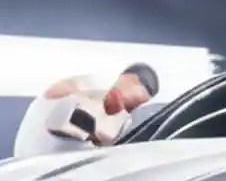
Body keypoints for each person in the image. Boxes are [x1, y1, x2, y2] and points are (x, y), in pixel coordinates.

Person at [12, 63, 160, 158]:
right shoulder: (88, 86)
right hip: (36, 161)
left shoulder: (123, 121)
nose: (124, 110)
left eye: (130, 108)